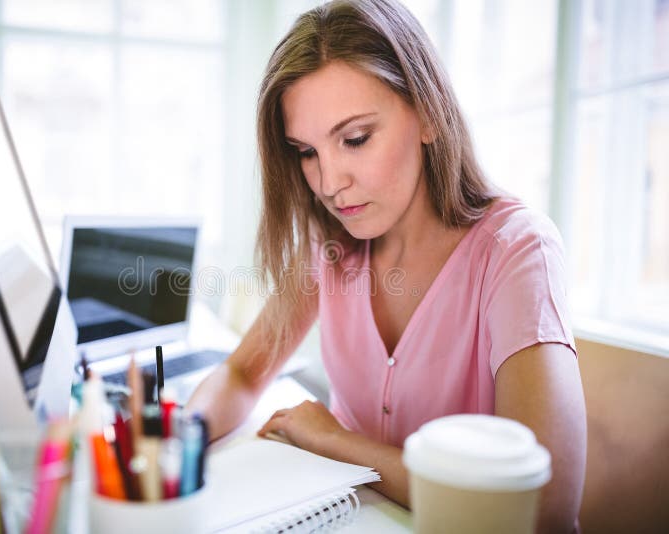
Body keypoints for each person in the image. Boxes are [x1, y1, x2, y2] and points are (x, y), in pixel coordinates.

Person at [185, 0, 586, 531]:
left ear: (426, 114)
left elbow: (544, 504)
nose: (329, 183)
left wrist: (338, 442)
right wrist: (177, 438)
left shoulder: (515, 250)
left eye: (354, 139)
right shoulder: (329, 244)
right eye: (306, 152)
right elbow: (241, 371)